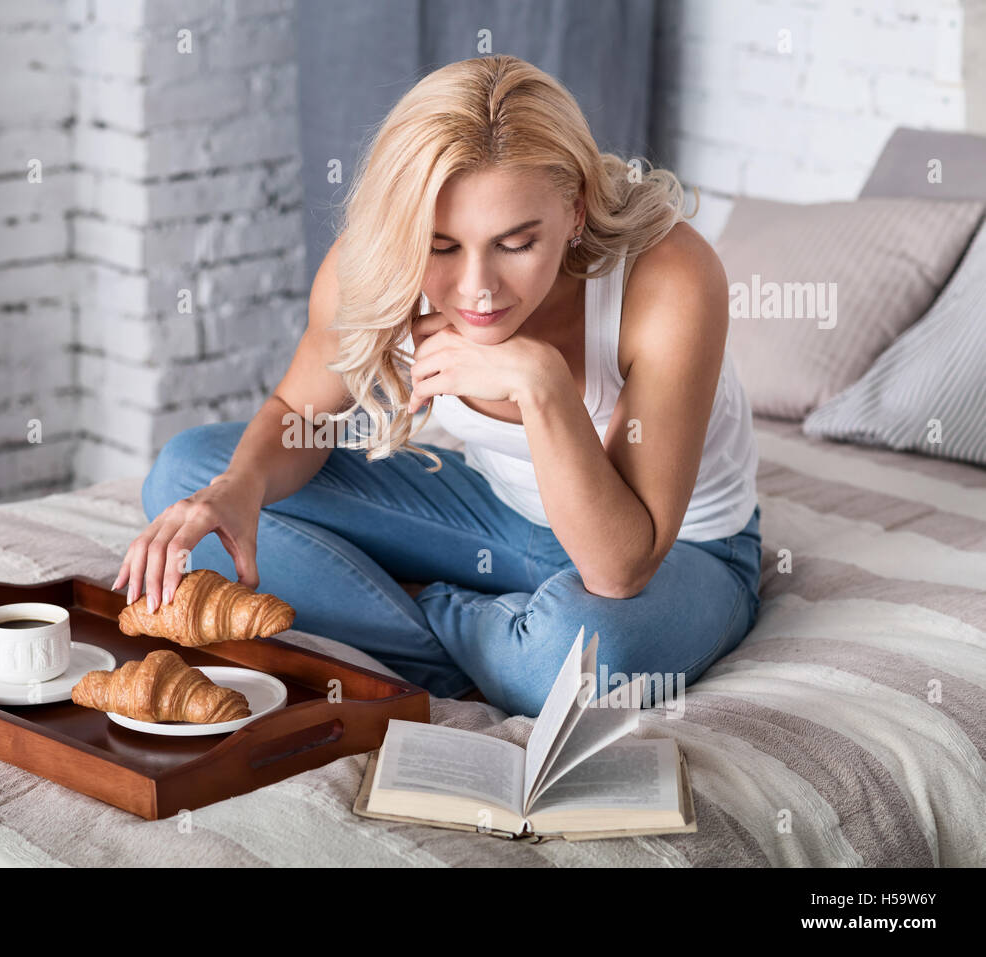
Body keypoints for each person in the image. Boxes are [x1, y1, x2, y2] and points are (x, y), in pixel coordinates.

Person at [113, 54, 762, 718]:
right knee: (186, 475)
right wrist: (238, 488)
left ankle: (418, 615)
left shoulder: (668, 276)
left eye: (515, 244)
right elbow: (294, 412)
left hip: (678, 552)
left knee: (579, 660)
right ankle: (483, 629)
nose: (477, 289)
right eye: (442, 245)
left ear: (575, 211)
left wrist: (540, 383)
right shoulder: (377, 268)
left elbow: (620, 569)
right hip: (501, 519)